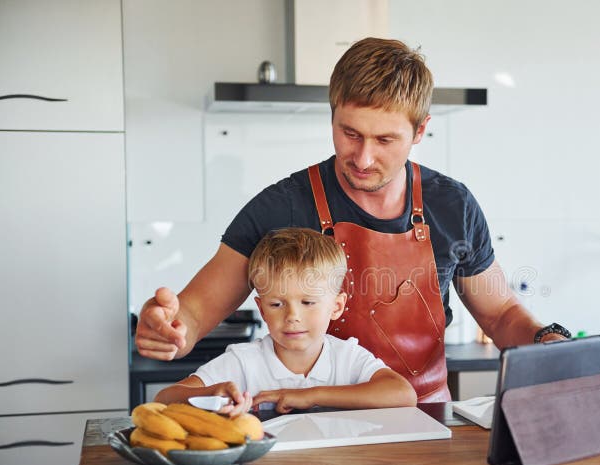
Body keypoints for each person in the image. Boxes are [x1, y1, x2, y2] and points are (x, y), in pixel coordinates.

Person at [136, 37, 569, 402]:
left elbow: (500, 313)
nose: (362, 158)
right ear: (333, 115)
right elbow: (192, 313)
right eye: (350, 133)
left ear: (420, 131)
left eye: (385, 140)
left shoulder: (453, 206)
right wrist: (168, 327)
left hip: (425, 424)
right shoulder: (279, 208)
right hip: (311, 430)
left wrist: (544, 339)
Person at [154, 228, 417, 414]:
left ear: (336, 306)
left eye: (308, 303)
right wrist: (209, 394)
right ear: (261, 309)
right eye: (276, 304)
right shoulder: (243, 361)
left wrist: (308, 396)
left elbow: (403, 394)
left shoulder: (347, 356)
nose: (292, 317)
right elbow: (164, 398)